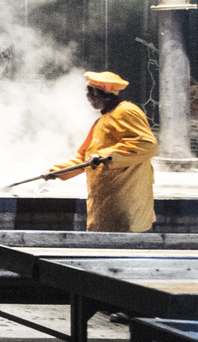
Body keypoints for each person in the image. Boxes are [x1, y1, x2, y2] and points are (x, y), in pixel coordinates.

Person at [52, 71, 157, 232]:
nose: (87, 98)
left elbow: (146, 143)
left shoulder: (126, 111)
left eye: (88, 93)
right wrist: (57, 171)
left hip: (125, 199)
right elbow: (84, 157)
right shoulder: (102, 121)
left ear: (95, 92)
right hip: (105, 201)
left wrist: (106, 155)